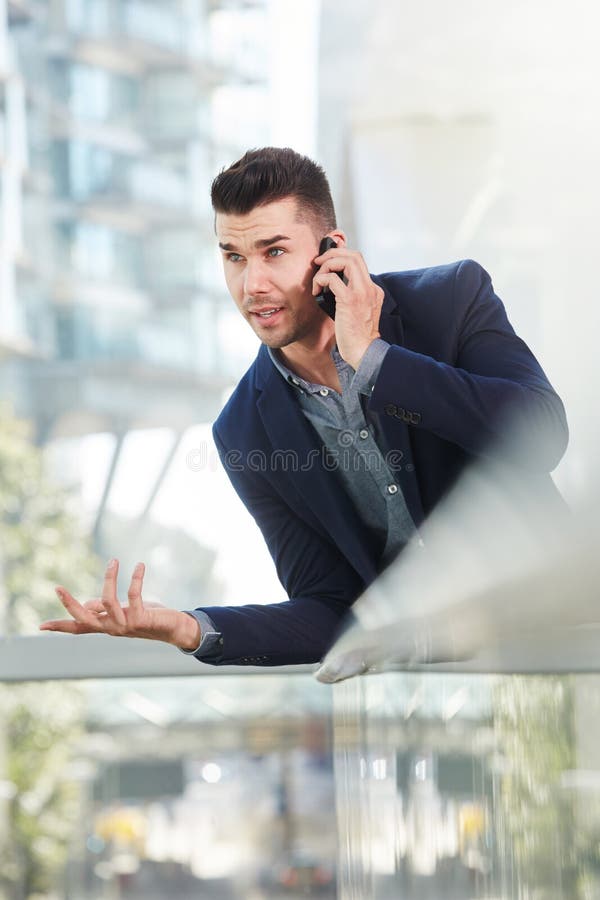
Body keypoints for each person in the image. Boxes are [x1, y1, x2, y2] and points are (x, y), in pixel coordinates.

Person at [40, 147, 569, 666]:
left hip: (563, 634)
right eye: (233, 257)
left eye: (273, 252)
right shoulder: (244, 430)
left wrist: (375, 361)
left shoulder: (449, 300)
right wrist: (191, 627)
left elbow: (541, 435)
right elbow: (328, 605)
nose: (252, 285)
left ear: (330, 249)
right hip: (441, 680)